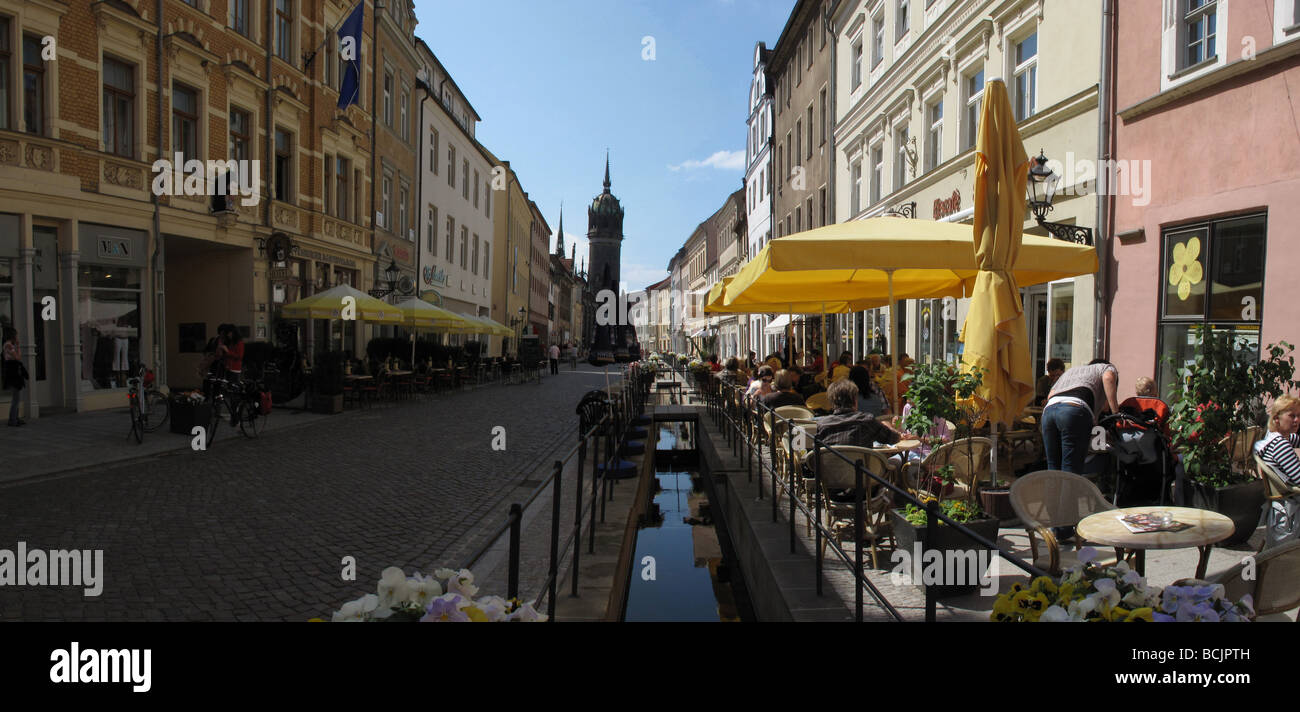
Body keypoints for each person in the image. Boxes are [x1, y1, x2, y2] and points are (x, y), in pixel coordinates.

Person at [1041, 358, 1120, 474]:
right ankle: (1070, 492)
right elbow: (1108, 378)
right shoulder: (1106, 368)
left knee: (1053, 467)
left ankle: (1053, 492)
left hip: (1049, 412)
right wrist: (1116, 415)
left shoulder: (1072, 371)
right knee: (1070, 469)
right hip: (1073, 411)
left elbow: (1050, 396)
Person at [814, 379, 904, 449]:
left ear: (832, 402)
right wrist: (888, 426)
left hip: (831, 471)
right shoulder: (866, 420)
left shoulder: (822, 424)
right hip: (861, 471)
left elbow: (817, 453)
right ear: (854, 400)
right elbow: (894, 438)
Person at [1256, 395, 1300, 486]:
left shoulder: (1274, 437)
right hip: (1292, 497)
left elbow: (1295, 439)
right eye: (1292, 416)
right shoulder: (1280, 445)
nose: (1297, 420)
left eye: (1299, 415)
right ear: (1276, 419)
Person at [3, 327, 26, 426]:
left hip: (14, 371)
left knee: (17, 396)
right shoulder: (8, 345)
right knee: (15, 397)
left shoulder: (11, 345)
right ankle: (12, 419)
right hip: (12, 371)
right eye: (15, 335)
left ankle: (15, 417)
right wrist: (18, 346)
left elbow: (18, 357)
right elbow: (18, 357)